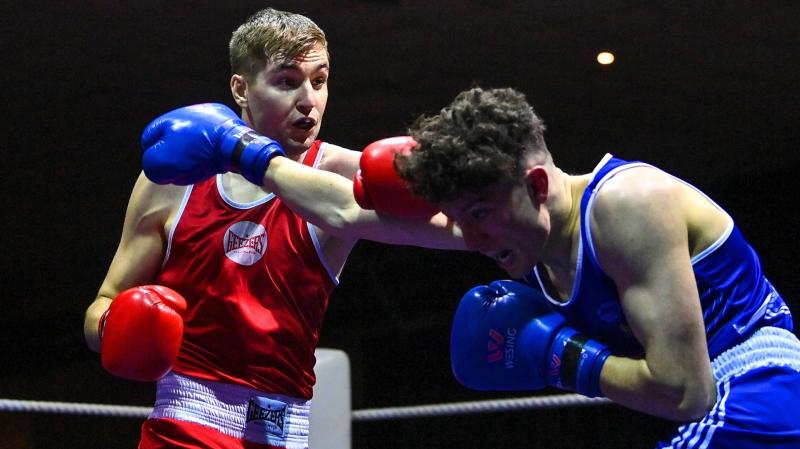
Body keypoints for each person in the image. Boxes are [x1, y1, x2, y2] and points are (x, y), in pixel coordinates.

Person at [83, 8, 462, 449]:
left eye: (319, 81)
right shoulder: (171, 183)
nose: (309, 100)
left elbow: (459, 225)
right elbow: (103, 304)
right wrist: (116, 326)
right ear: (240, 88)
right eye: (287, 81)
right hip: (177, 434)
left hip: (280, 436)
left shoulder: (340, 172)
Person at [393, 86, 800, 448]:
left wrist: (559, 355)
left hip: (762, 386)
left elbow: (685, 392)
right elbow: (345, 211)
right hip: (729, 408)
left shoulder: (626, 203)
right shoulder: (520, 237)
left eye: (479, 214)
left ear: (537, 186)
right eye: (460, 220)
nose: (472, 240)